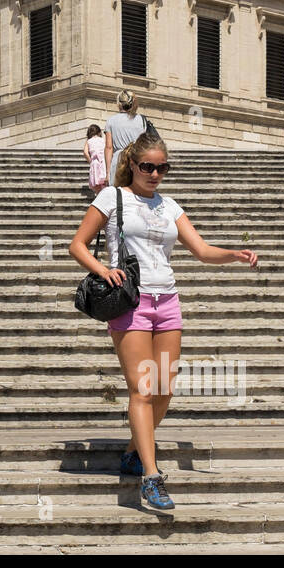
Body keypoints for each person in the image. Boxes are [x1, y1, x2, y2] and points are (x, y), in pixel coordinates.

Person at [68, 131, 259, 511]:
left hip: (167, 301)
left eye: (162, 168)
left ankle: (133, 450)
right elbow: (77, 244)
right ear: (133, 165)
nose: (155, 174)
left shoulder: (169, 205)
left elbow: (201, 250)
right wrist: (103, 269)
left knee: (164, 390)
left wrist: (234, 254)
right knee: (141, 390)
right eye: (148, 167)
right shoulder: (112, 196)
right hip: (130, 301)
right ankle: (151, 478)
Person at [104, 89, 148, 171]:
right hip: (136, 160)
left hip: (118, 161)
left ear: (119, 104)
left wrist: (107, 172)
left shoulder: (111, 120)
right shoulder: (141, 119)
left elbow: (109, 148)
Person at [84, 124, 107, 198]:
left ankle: (98, 196)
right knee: (104, 181)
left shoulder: (89, 141)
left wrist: (90, 161)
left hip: (95, 163)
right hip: (103, 162)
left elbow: (85, 152)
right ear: (99, 132)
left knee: (97, 183)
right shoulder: (103, 140)